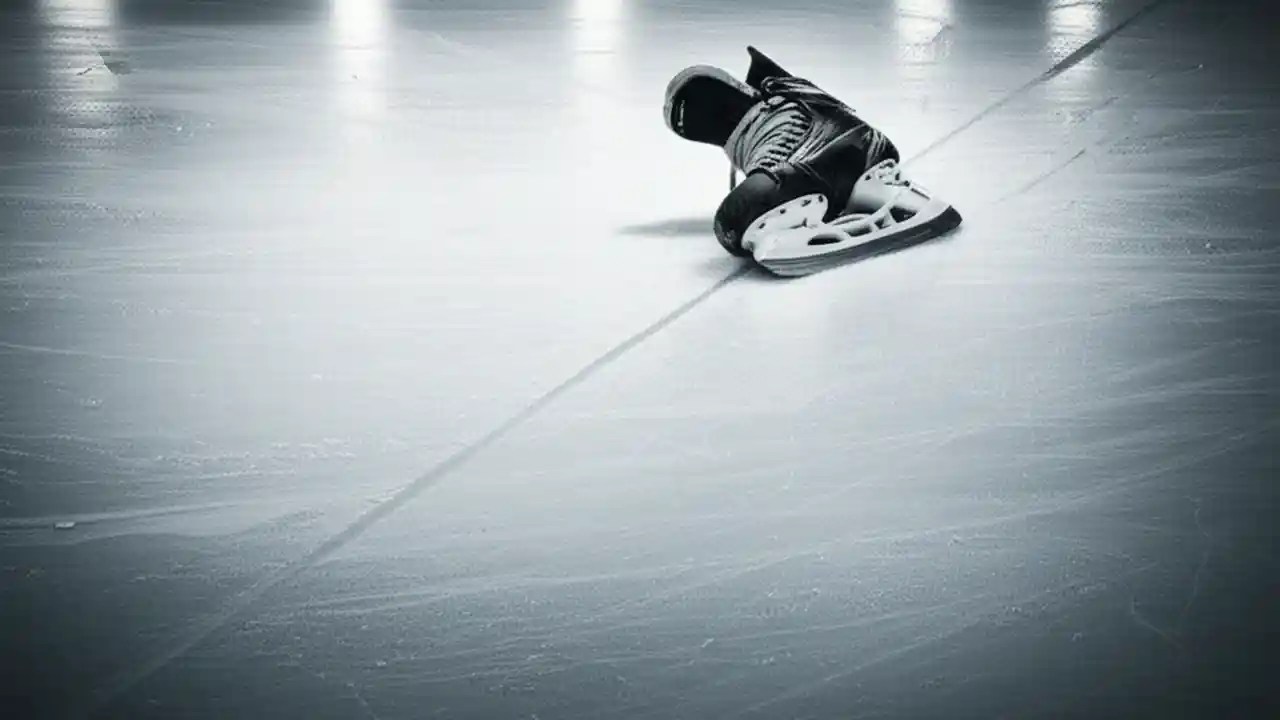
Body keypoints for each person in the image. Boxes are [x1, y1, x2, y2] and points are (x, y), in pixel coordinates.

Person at [664, 47, 962, 276]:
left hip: (819, 147)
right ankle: (856, 160)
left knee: (735, 217)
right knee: (732, 221)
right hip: (849, 152)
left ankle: (833, 142)